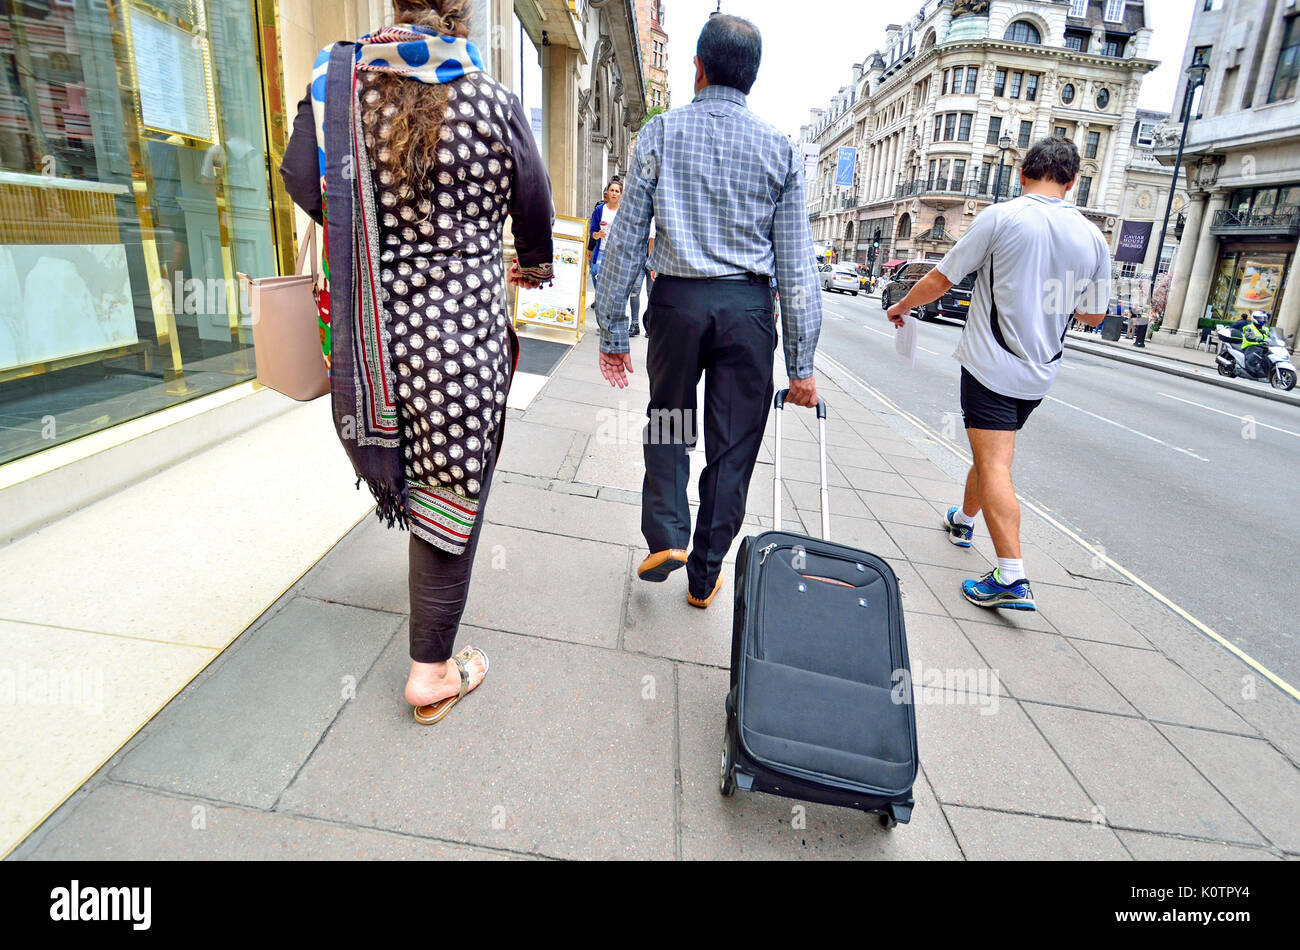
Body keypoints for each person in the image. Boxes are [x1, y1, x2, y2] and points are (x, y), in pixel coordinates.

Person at [279, 0, 554, 723]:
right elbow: (534, 203)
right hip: (462, 339)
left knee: (418, 477)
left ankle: (430, 651)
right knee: (453, 490)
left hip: (375, 336)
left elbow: (302, 180)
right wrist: (530, 262)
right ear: (459, 20)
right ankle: (431, 671)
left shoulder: (338, 88)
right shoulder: (494, 103)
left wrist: (365, 225)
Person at [593, 13, 822, 609]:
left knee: (669, 418)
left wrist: (613, 327)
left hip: (678, 303)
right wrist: (801, 364)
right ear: (752, 77)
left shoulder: (662, 134)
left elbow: (624, 239)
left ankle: (667, 533)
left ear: (697, 66)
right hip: (747, 310)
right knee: (732, 445)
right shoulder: (781, 149)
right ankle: (704, 574)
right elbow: (797, 266)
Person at [886, 136, 1110, 611]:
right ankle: (965, 520)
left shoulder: (1002, 217)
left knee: (994, 462)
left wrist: (901, 305)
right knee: (994, 452)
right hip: (1040, 373)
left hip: (991, 365)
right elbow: (1093, 317)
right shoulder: (1093, 237)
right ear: (1071, 182)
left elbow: (942, 278)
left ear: (1023, 173)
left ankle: (1012, 576)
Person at [1242, 309, 1272, 375]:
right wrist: (1257, 339)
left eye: (1263, 318)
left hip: (1262, 346)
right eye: (1260, 318)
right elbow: (1248, 336)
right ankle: (1252, 371)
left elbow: (1271, 337)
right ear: (1255, 318)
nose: (1262, 320)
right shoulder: (1249, 327)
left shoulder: (1265, 329)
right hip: (1250, 346)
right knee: (1253, 356)